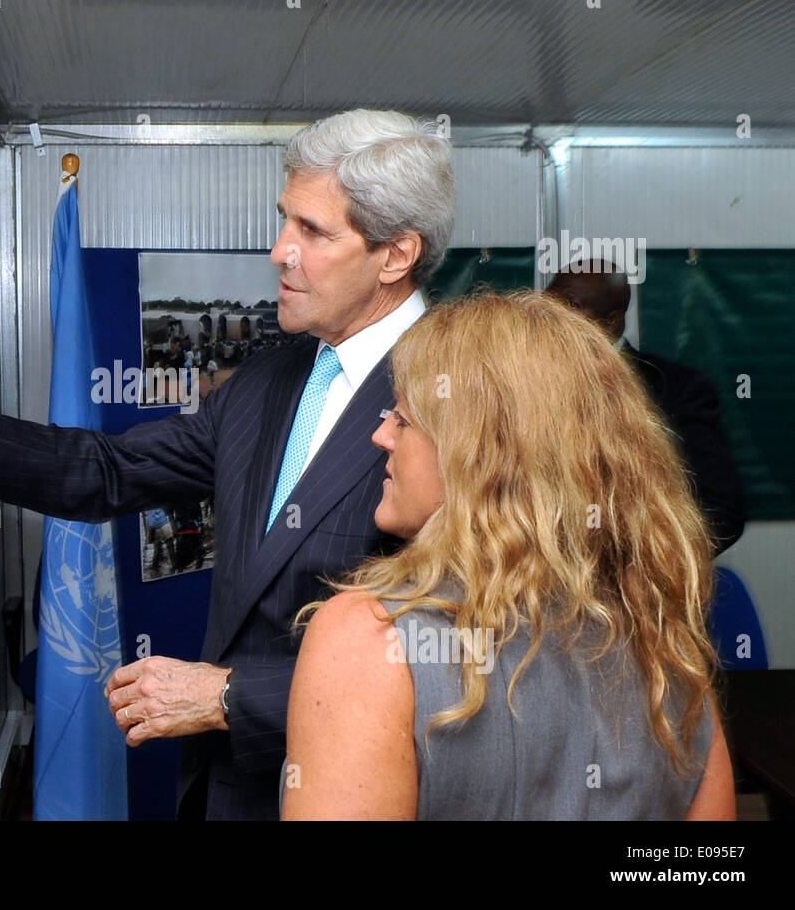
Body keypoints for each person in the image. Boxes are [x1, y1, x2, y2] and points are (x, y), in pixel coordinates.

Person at [0, 108, 456, 821]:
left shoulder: (462, 394)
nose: (278, 251)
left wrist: (229, 696)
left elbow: (459, 656)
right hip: (222, 788)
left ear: (396, 254)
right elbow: (110, 470)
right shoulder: (274, 375)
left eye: (312, 231)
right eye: (283, 220)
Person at [283, 291, 734, 820]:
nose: (381, 435)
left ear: (477, 453)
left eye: (403, 419)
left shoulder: (369, 637)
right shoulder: (661, 643)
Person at [545, 260, 745, 554]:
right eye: (548, 305)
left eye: (571, 306)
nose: (553, 318)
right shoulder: (521, 387)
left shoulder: (675, 391)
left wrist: (632, 567)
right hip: (533, 589)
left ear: (612, 321)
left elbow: (720, 512)